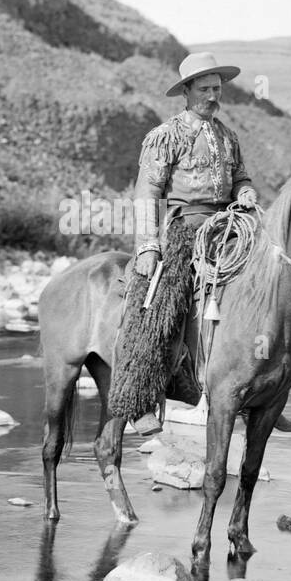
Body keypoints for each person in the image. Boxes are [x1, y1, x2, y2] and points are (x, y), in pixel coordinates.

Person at [107, 52, 258, 430]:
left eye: (217, 88)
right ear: (186, 92)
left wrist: (245, 191)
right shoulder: (165, 136)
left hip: (227, 228)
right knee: (159, 302)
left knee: (266, 285)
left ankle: (261, 390)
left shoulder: (227, 136)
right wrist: (147, 246)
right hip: (182, 230)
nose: (212, 95)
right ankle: (138, 400)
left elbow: (240, 176)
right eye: (204, 89)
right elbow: (147, 193)